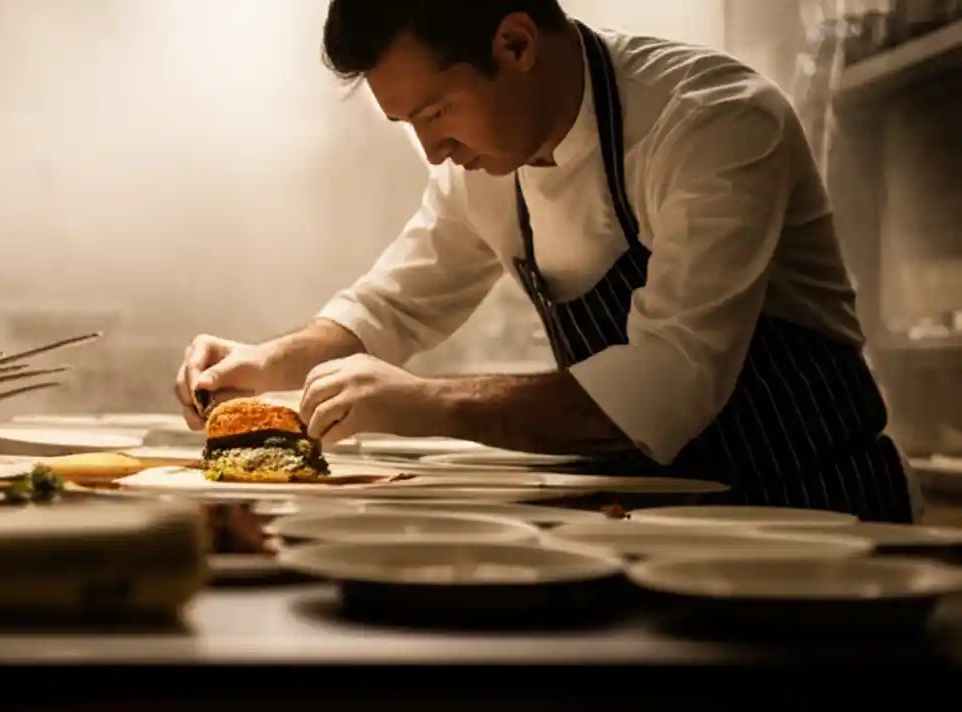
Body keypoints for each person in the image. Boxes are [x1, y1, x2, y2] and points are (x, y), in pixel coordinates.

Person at [174, 0, 919, 522]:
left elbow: (665, 389)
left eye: (436, 113)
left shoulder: (712, 123)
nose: (433, 151)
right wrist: (265, 360)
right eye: (409, 126)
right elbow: (389, 308)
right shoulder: (481, 165)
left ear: (517, 45)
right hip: (660, 525)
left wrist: (422, 403)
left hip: (816, 520)